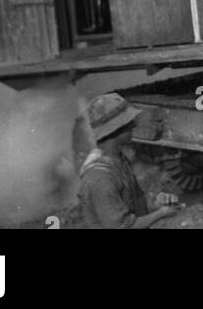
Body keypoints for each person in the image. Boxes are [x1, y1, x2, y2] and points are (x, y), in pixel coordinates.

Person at [78, 92, 182, 229]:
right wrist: (162, 214)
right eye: (127, 123)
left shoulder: (118, 159)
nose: (133, 126)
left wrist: (156, 204)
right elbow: (123, 226)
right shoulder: (100, 178)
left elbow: (136, 203)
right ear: (115, 130)